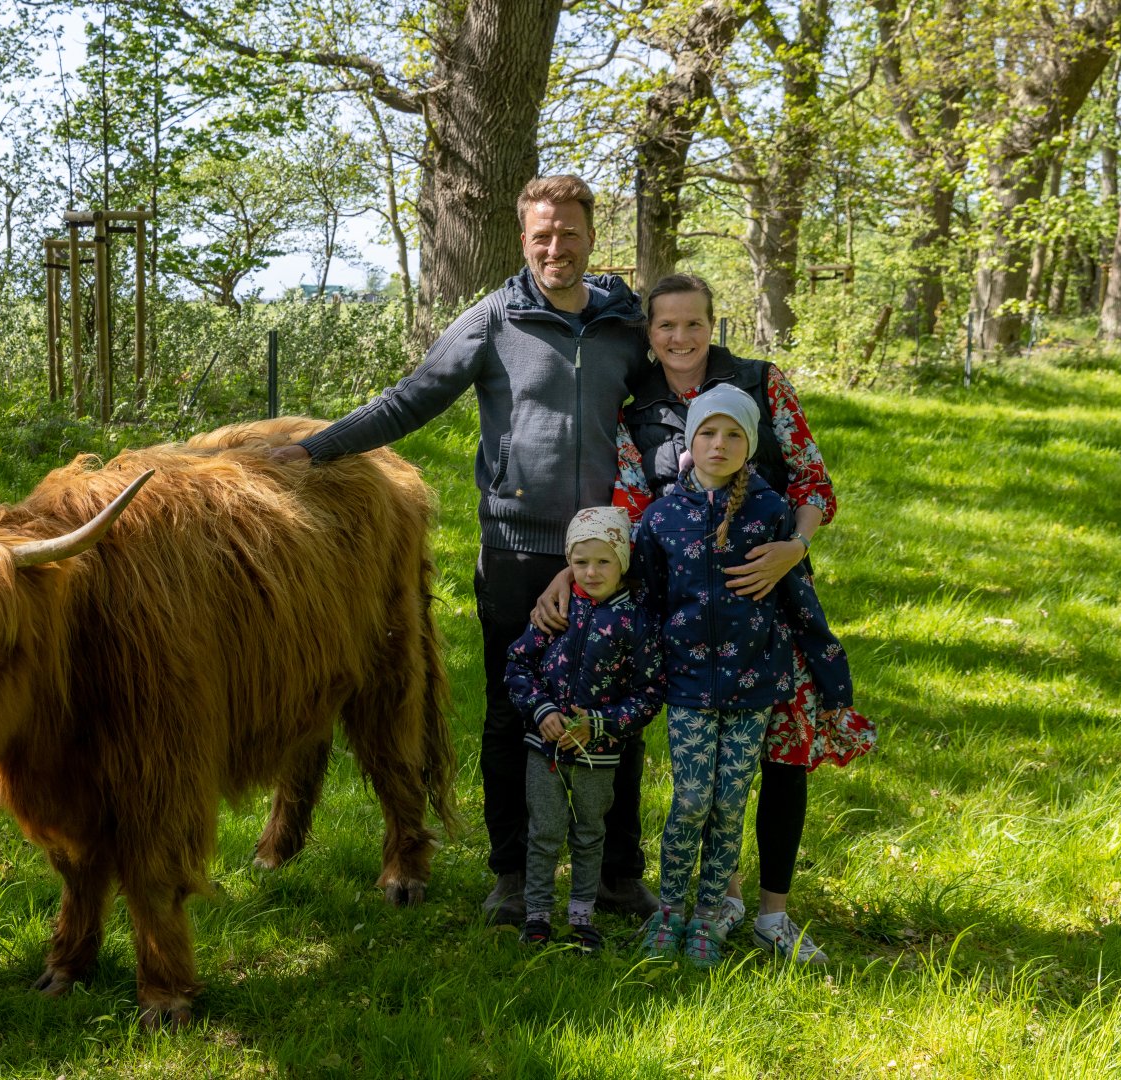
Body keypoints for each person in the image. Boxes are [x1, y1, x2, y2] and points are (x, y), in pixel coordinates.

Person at [268, 174, 658, 925]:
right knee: (515, 710)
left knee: (619, 707)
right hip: (516, 546)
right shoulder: (493, 320)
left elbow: (676, 399)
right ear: (523, 238)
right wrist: (317, 451)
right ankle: (513, 874)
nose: (556, 247)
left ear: (590, 236)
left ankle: (616, 872)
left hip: (610, 552)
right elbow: (411, 397)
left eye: (569, 233)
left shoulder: (624, 327)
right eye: (542, 234)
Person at [622, 272, 874, 962]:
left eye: (694, 323)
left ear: (714, 324)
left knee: (781, 757)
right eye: (666, 326)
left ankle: (773, 913)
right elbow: (631, 505)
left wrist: (792, 548)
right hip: (690, 621)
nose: (680, 337)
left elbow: (813, 479)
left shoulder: (762, 382)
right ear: (650, 332)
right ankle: (715, 903)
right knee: (704, 784)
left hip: (772, 599)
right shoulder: (637, 402)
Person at [502, 507, 661, 952]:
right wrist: (541, 710)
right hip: (545, 749)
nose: (591, 573)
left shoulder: (634, 623)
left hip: (598, 755)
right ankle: (536, 915)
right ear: (568, 563)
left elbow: (649, 693)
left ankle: (581, 916)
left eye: (603, 561)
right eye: (580, 562)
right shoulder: (557, 612)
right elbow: (518, 665)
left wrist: (602, 724)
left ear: (623, 562)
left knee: (590, 832)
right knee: (545, 831)